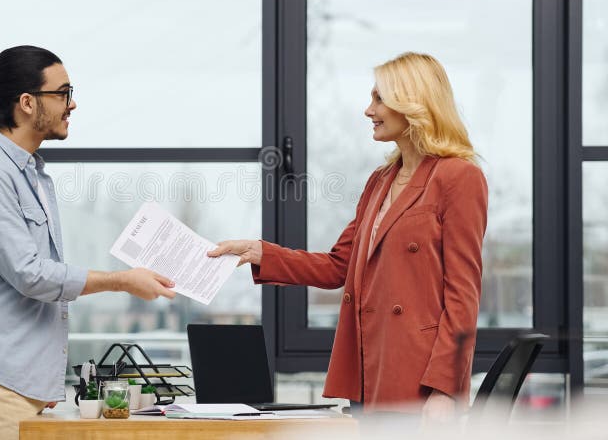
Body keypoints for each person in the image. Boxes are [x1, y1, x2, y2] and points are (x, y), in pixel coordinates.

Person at [209, 52, 488, 423]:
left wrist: (445, 389)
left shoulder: (459, 178)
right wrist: (260, 252)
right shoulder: (380, 181)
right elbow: (338, 266)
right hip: (368, 366)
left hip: (419, 378)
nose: (368, 110)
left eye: (379, 99)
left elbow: (462, 296)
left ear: (413, 104)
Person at [0, 45, 176, 439]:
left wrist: (40, 381)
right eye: (62, 93)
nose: (72, 104)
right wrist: (122, 280)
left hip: (17, 385)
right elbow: (31, 275)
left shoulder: (31, 176)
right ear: (27, 103)